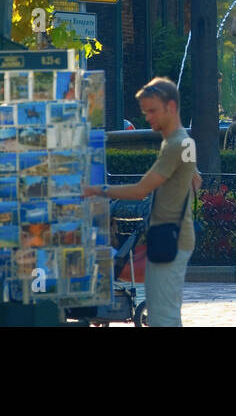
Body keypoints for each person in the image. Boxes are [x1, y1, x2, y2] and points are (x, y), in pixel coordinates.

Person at [83, 77, 200, 326]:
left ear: (171, 107)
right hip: (179, 235)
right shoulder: (185, 141)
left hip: (169, 236)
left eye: (153, 111)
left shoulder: (175, 145)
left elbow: (140, 190)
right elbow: (195, 179)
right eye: (146, 112)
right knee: (167, 309)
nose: (148, 118)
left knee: (162, 314)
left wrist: (96, 189)